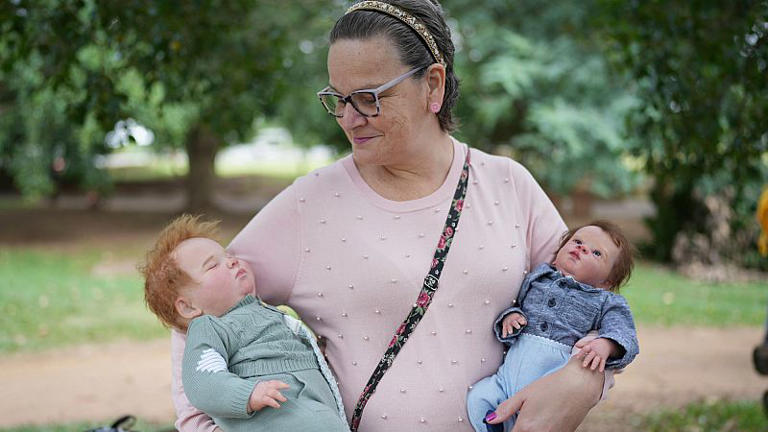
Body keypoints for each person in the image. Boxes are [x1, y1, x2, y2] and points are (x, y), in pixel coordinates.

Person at [169, 1, 613, 430]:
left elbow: (599, 309)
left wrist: (583, 382)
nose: (348, 118)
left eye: (368, 97)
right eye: (338, 99)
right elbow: (197, 317)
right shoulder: (309, 205)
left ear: (433, 86)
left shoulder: (509, 186)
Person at [140, 215, 349, 432]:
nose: (232, 261)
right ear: (188, 307)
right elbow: (201, 381)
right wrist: (247, 394)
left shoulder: (271, 313)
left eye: (228, 255)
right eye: (212, 265)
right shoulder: (209, 328)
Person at [467, 221, 639, 432]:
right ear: (558, 253)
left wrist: (607, 345)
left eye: (596, 253)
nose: (582, 248)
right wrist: (511, 317)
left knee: (537, 419)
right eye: (577, 241)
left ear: (607, 281)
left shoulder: (605, 301)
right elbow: (519, 306)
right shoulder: (538, 277)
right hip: (510, 371)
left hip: (553, 372)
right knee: (479, 397)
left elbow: (625, 334)